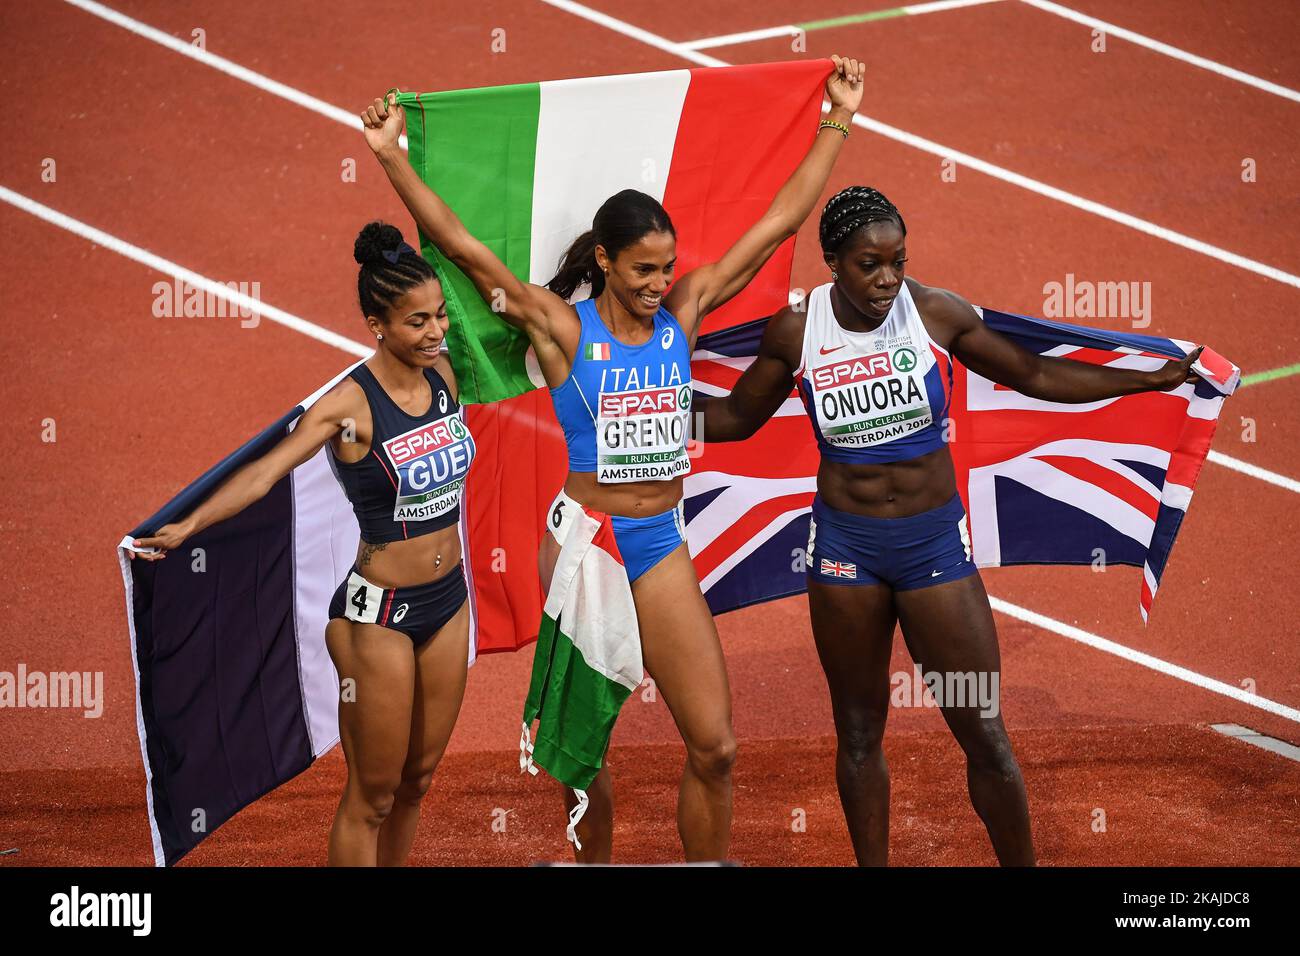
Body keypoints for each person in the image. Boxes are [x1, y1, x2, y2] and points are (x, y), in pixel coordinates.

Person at [360, 55, 865, 862]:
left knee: (716, 746)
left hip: (659, 541)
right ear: (603, 260)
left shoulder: (684, 313)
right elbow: (463, 248)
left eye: (667, 267)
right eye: (643, 270)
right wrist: (391, 154)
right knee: (583, 762)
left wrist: (837, 118)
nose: (660, 283)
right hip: (586, 545)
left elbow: (777, 223)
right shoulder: (562, 328)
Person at [697, 185, 1204, 866]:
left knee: (983, 731)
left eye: (897, 261)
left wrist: (1141, 381)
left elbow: (1031, 374)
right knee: (858, 734)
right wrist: (644, 412)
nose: (887, 279)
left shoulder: (934, 314)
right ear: (832, 263)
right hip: (845, 552)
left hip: (931, 546)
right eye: (869, 265)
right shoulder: (796, 332)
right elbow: (736, 418)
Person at [132, 222, 476, 866]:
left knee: (417, 781)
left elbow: (475, 261)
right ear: (376, 326)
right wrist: (190, 526)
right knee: (373, 796)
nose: (436, 332)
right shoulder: (348, 405)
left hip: (449, 603)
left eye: (439, 316)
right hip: (379, 616)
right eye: (417, 322)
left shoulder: (444, 378)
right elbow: (265, 474)